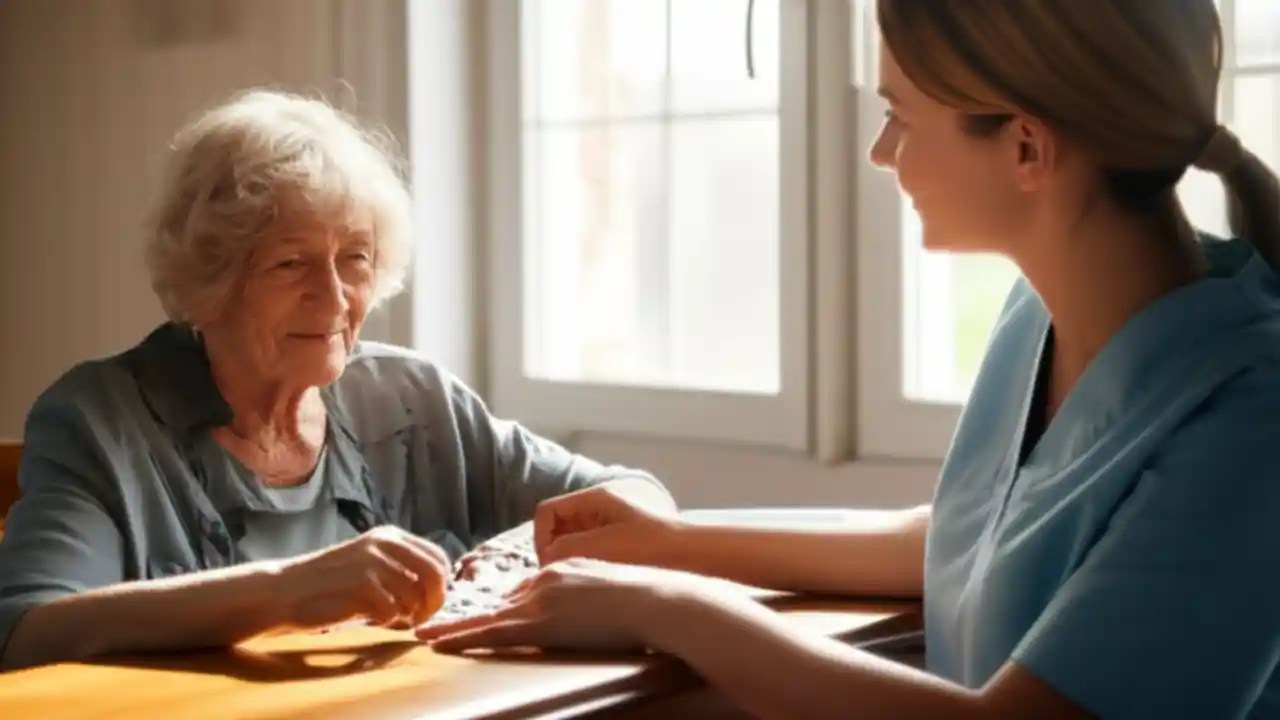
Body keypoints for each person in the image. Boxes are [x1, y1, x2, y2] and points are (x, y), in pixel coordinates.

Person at [418, 2, 1280, 717]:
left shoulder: (1249, 417)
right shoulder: (1039, 315)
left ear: (1026, 146)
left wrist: (668, 607)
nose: (879, 152)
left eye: (900, 117)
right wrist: (666, 545)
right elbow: (966, 536)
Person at [0, 90, 674, 670]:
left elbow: (640, 497)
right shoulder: (99, 420)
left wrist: (515, 554)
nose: (333, 298)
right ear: (213, 280)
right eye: (290, 264)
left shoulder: (414, 400)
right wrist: (281, 593)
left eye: (354, 258)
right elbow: (28, 633)